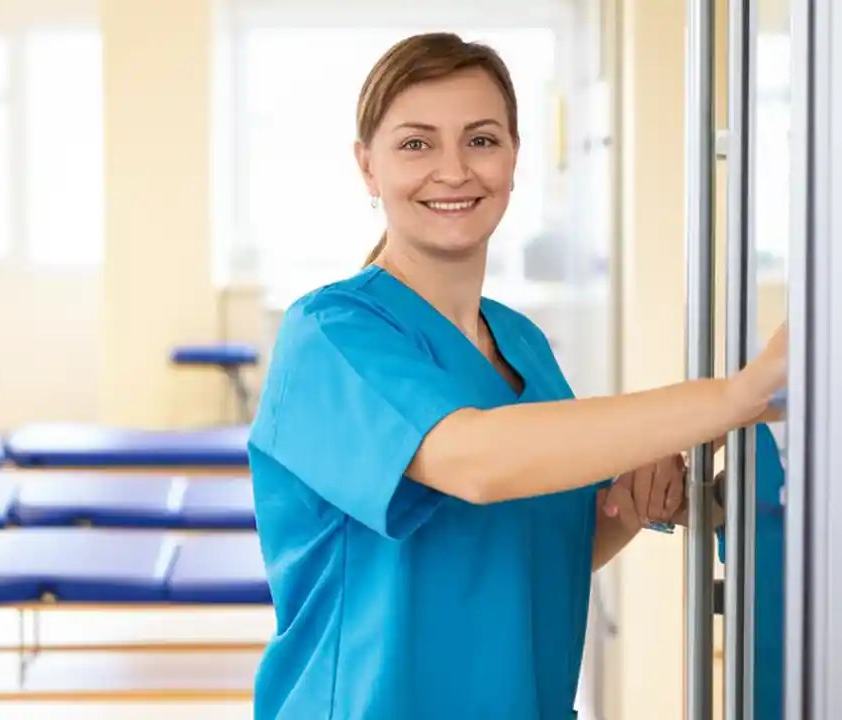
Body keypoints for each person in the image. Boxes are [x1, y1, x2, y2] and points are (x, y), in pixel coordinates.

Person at [246, 32, 787, 719]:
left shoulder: (521, 343)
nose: (453, 170)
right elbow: (477, 462)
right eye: (416, 144)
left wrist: (641, 497)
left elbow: (540, 543)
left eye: (481, 140)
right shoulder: (330, 334)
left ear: (512, 158)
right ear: (367, 167)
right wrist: (736, 396)